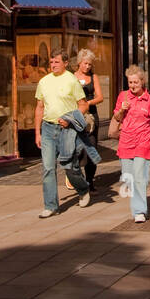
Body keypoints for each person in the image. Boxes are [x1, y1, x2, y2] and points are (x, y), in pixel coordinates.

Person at [34, 49, 91, 217]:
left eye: (56, 62)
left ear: (65, 63)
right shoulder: (44, 82)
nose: (53, 65)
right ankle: (51, 206)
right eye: (51, 62)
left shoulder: (71, 80)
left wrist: (70, 119)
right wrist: (37, 132)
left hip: (67, 129)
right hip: (48, 128)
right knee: (48, 167)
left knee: (69, 166)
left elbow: (83, 105)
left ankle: (82, 188)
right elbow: (39, 107)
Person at [112, 65, 150, 222]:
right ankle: (138, 202)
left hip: (143, 141)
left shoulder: (149, 99)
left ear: (142, 82)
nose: (132, 86)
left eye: (135, 82)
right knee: (128, 178)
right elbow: (117, 118)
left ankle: (139, 211)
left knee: (139, 176)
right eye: (130, 82)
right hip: (126, 142)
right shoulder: (123, 96)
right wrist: (121, 110)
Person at [74, 49, 104, 191]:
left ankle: (90, 180)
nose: (87, 67)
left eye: (90, 65)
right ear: (79, 62)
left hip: (91, 117)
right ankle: (77, 179)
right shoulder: (72, 77)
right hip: (76, 116)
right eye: (85, 63)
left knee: (91, 148)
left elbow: (100, 97)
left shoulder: (93, 77)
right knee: (77, 150)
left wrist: (88, 103)